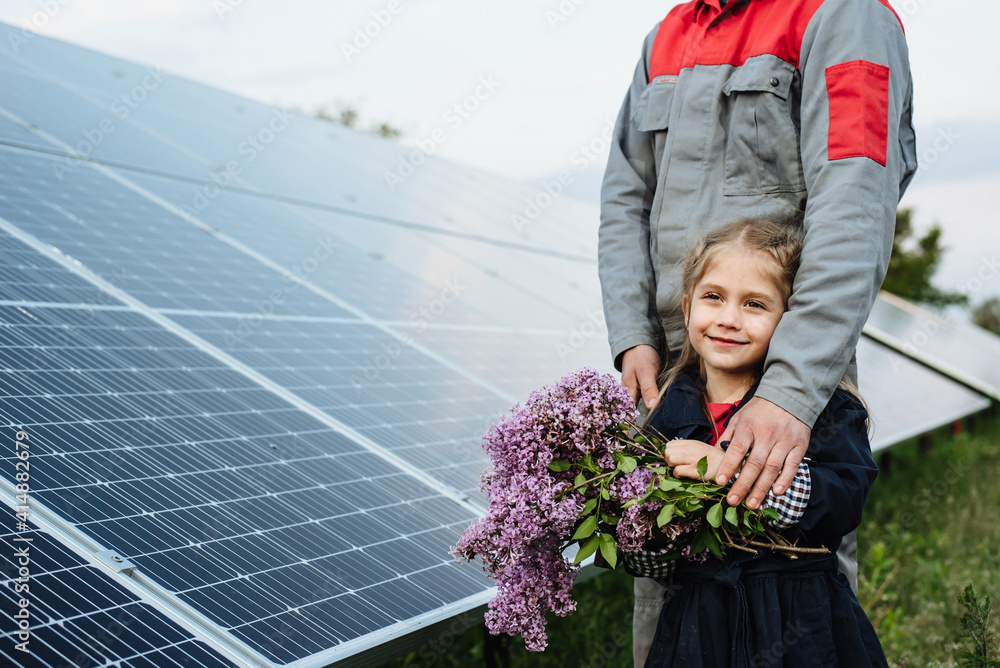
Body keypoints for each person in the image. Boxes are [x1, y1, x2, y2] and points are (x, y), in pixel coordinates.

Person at [597, 0, 916, 662]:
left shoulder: (842, 15)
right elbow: (625, 195)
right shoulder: (666, 38)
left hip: (790, 373)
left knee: (791, 595)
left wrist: (790, 394)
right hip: (677, 380)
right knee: (670, 616)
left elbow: (856, 196)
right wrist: (633, 335)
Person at [623, 218, 885, 666]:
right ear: (686, 309)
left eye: (755, 304)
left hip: (799, 620)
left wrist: (727, 472)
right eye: (713, 297)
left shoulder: (820, 409)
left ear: (791, 322)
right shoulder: (665, 413)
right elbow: (656, 560)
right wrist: (638, 529)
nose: (729, 319)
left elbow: (843, 499)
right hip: (697, 628)